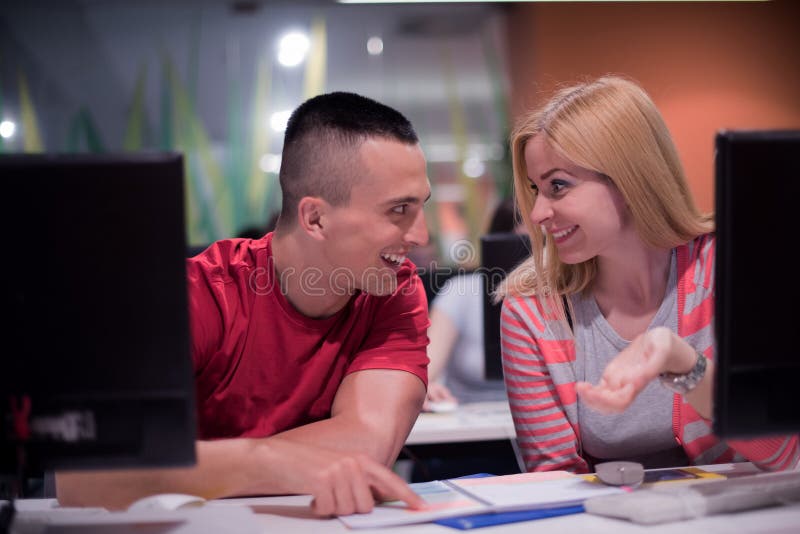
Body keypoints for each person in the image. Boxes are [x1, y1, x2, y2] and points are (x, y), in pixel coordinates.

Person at [56, 92, 432, 515]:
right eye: (399, 210)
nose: (421, 235)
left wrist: (203, 466)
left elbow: (367, 446)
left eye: (421, 206)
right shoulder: (199, 293)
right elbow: (84, 476)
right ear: (316, 219)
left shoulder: (393, 290)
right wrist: (266, 461)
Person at [495, 75, 798, 474]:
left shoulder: (732, 267)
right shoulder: (531, 310)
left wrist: (683, 365)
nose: (537, 214)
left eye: (558, 186)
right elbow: (554, 483)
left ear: (628, 177)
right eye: (536, 189)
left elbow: (781, 453)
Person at [424, 198, 520, 410]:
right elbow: (426, 368)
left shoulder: (570, 293)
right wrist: (423, 387)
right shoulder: (463, 291)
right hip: (467, 420)